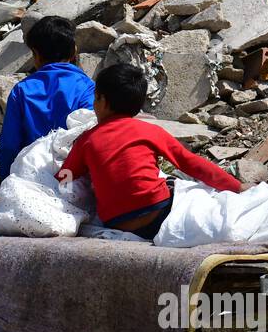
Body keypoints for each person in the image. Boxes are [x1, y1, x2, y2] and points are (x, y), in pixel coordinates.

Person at [57, 63, 241, 239]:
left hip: (115, 223)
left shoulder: (87, 139)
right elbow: (190, 163)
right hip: (158, 214)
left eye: (95, 97)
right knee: (184, 184)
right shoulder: (150, 131)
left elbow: (66, 175)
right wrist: (237, 187)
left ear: (102, 101)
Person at [0, 15, 95, 183]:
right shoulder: (87, 87)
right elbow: (92, 137)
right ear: (74, 51)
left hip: (31, 177)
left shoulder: (21, 90)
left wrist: (5, 182)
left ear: (36, 55)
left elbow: (8, 146)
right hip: (73, 179)